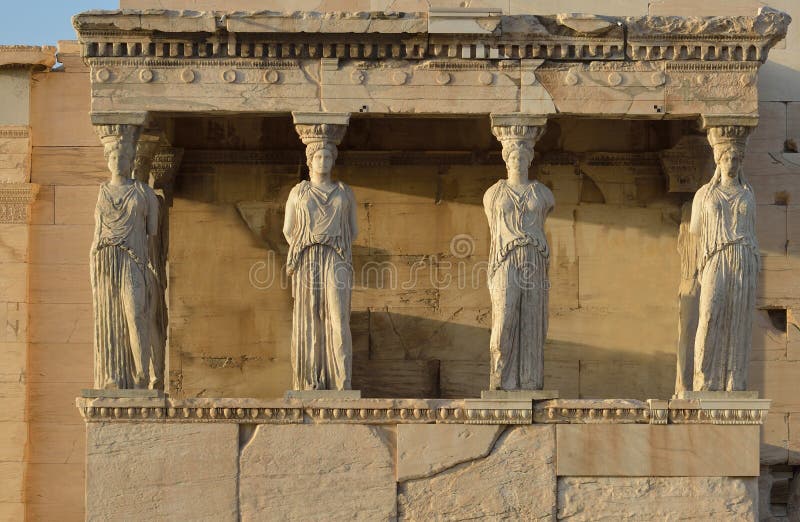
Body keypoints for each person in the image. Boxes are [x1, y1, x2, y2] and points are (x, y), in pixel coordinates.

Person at [283, 140, 358, 390]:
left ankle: (341, 381)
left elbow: (354, 230)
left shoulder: (345, 192)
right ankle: (309, 380)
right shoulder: (298, 192)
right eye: (319, 157)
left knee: (338, 316)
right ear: (310, 160)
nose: (324, 162)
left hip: (336, 257)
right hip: (307, 257)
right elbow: (288, 229)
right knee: (309, 317)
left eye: (328, 157)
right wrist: (306, 242)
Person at [690, 126, 758, 391]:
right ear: (718, 161)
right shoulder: (704, 195)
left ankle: (733, 380)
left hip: (742, 257)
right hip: (715, 257)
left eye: (735, 159)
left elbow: (751, 232)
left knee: (738, 318)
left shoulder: (748, 195)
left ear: (740, 162)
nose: (730, 163)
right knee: (709, 314)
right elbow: (695, 229)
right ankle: (704, 379)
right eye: (726, 158)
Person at [91, 128, 160, 389]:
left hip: (134, 259)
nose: (117, 163)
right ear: (107, 160)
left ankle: (142, 374)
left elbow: (152, 232)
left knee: (135, 313)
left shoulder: (144, 193)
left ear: (131, 160)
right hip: (106, 258)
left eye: (122, 158)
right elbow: (98, 231)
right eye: (113, 158)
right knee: (111, 317)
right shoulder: (102, 193)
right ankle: (114, 377)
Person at [484, 140, 554, 390]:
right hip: (505, 258)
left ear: (529, 159)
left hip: (534, 256)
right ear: (506, 159)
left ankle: (529, 381)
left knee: (532, 319)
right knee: (504, 317)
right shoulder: (493, 193)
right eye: (514, 157)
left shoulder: (542, 193)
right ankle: (501, 378)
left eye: (522, 157)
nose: (518, 161)